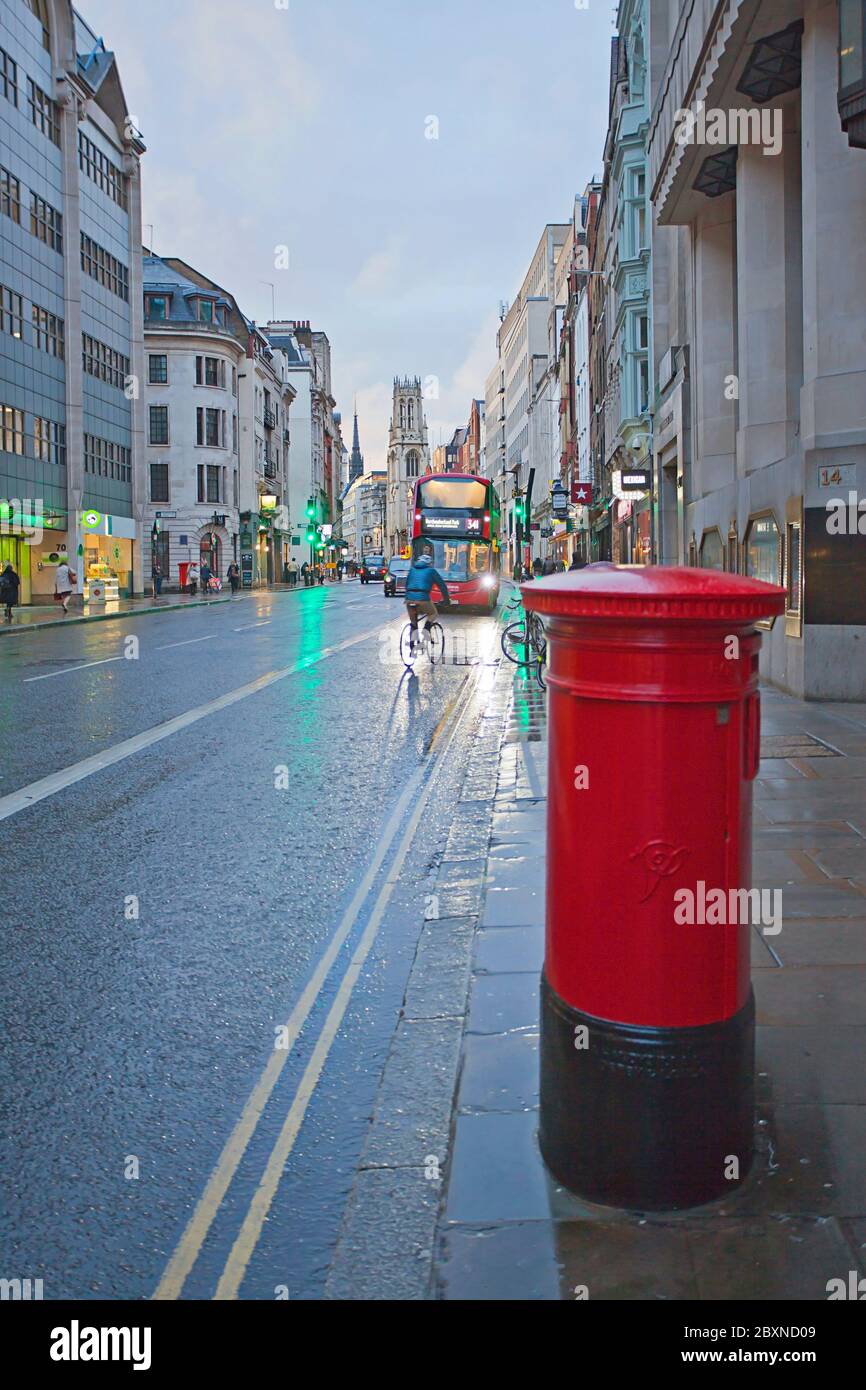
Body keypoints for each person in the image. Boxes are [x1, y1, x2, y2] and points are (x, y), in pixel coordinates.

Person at [404, 550, 450, 641]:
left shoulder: (412, 569)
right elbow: (442, 586)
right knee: (433, 613)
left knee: (413, 622)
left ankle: (412, 644)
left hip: (409, 599)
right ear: (429, 563)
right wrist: (446, 600)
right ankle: (426, 630)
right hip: (423, 598)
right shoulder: (431, 571)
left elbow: (407, 584)